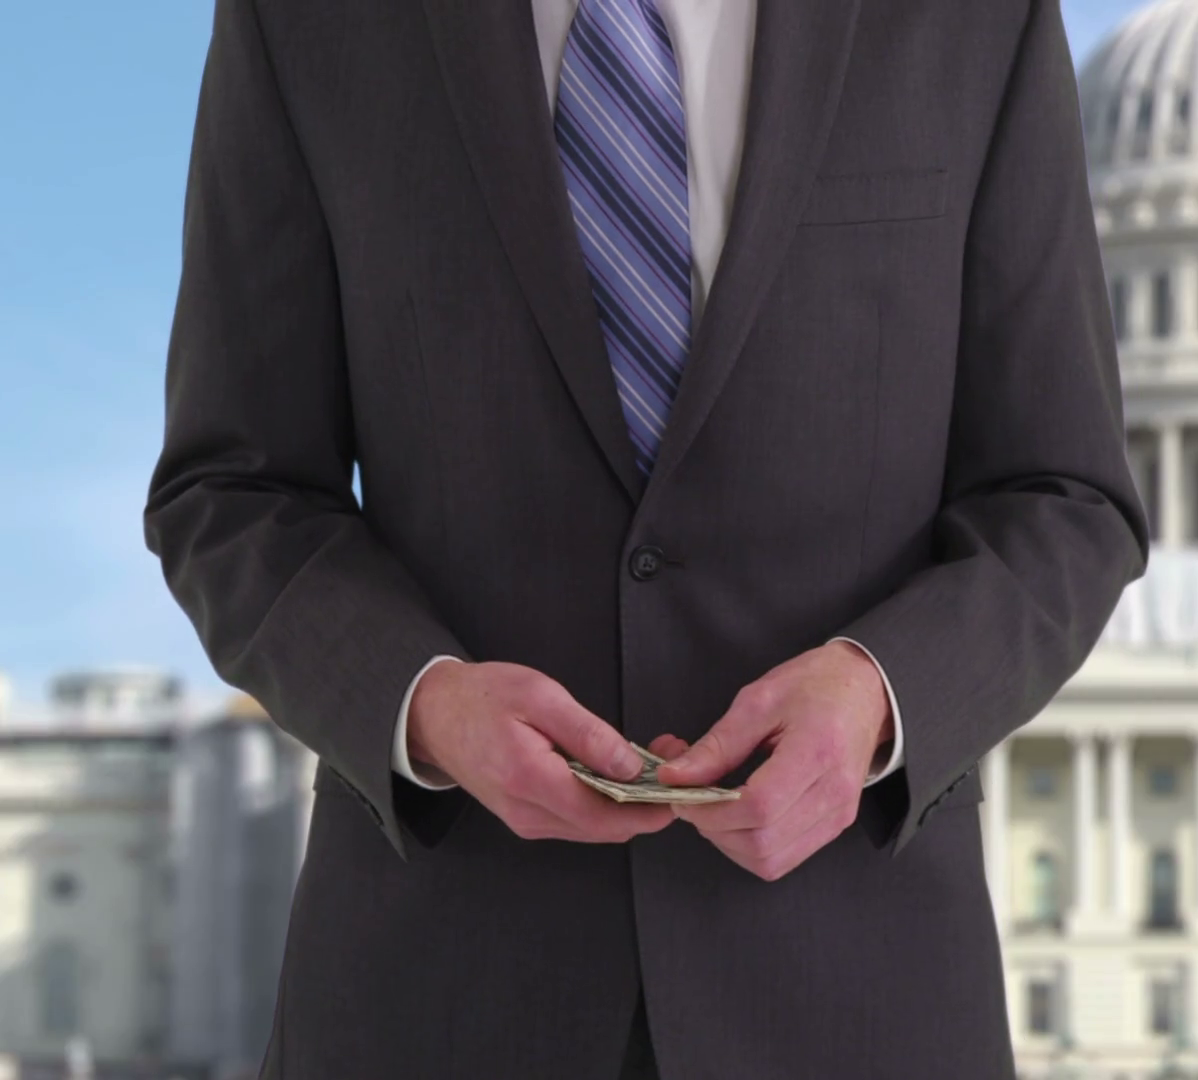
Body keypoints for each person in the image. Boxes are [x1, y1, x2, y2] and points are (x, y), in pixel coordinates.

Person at [144, 0, 1146, 1076]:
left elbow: (1064, 496)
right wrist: (421, 705)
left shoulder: (977, 21)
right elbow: (233, 490)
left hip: (858, 998)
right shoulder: (306, 22)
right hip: (431, 998)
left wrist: (884, 694)